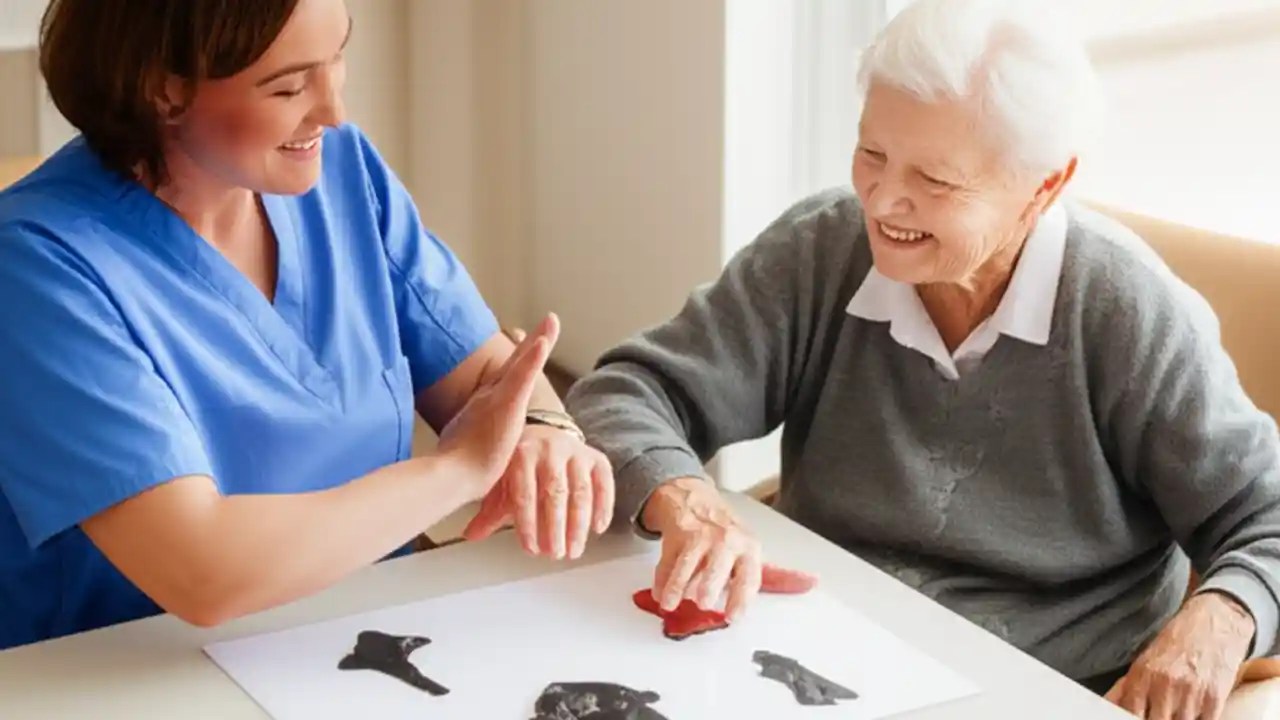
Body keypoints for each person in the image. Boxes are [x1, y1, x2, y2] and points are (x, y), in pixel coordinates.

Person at [562, 0, 1280, 717]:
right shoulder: (821, 249)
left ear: (1045, 186)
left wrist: (1220, 618)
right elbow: (625, 393)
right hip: (808, 659)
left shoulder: (1128, 313)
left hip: (1042, 687)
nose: (883, 202)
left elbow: (1264, 517)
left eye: (934, 181)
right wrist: (687, 501)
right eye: (872, 154)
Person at [0, 0, 615, 651]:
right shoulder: (38, 265)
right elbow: (203, 573)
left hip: (362, 641)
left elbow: (491, 380)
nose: (333, 111)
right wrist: (457, 470)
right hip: (123, 676)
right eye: (290, 86)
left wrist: (547, 430)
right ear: (164, 89)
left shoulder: (339, 170)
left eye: (338, 57)